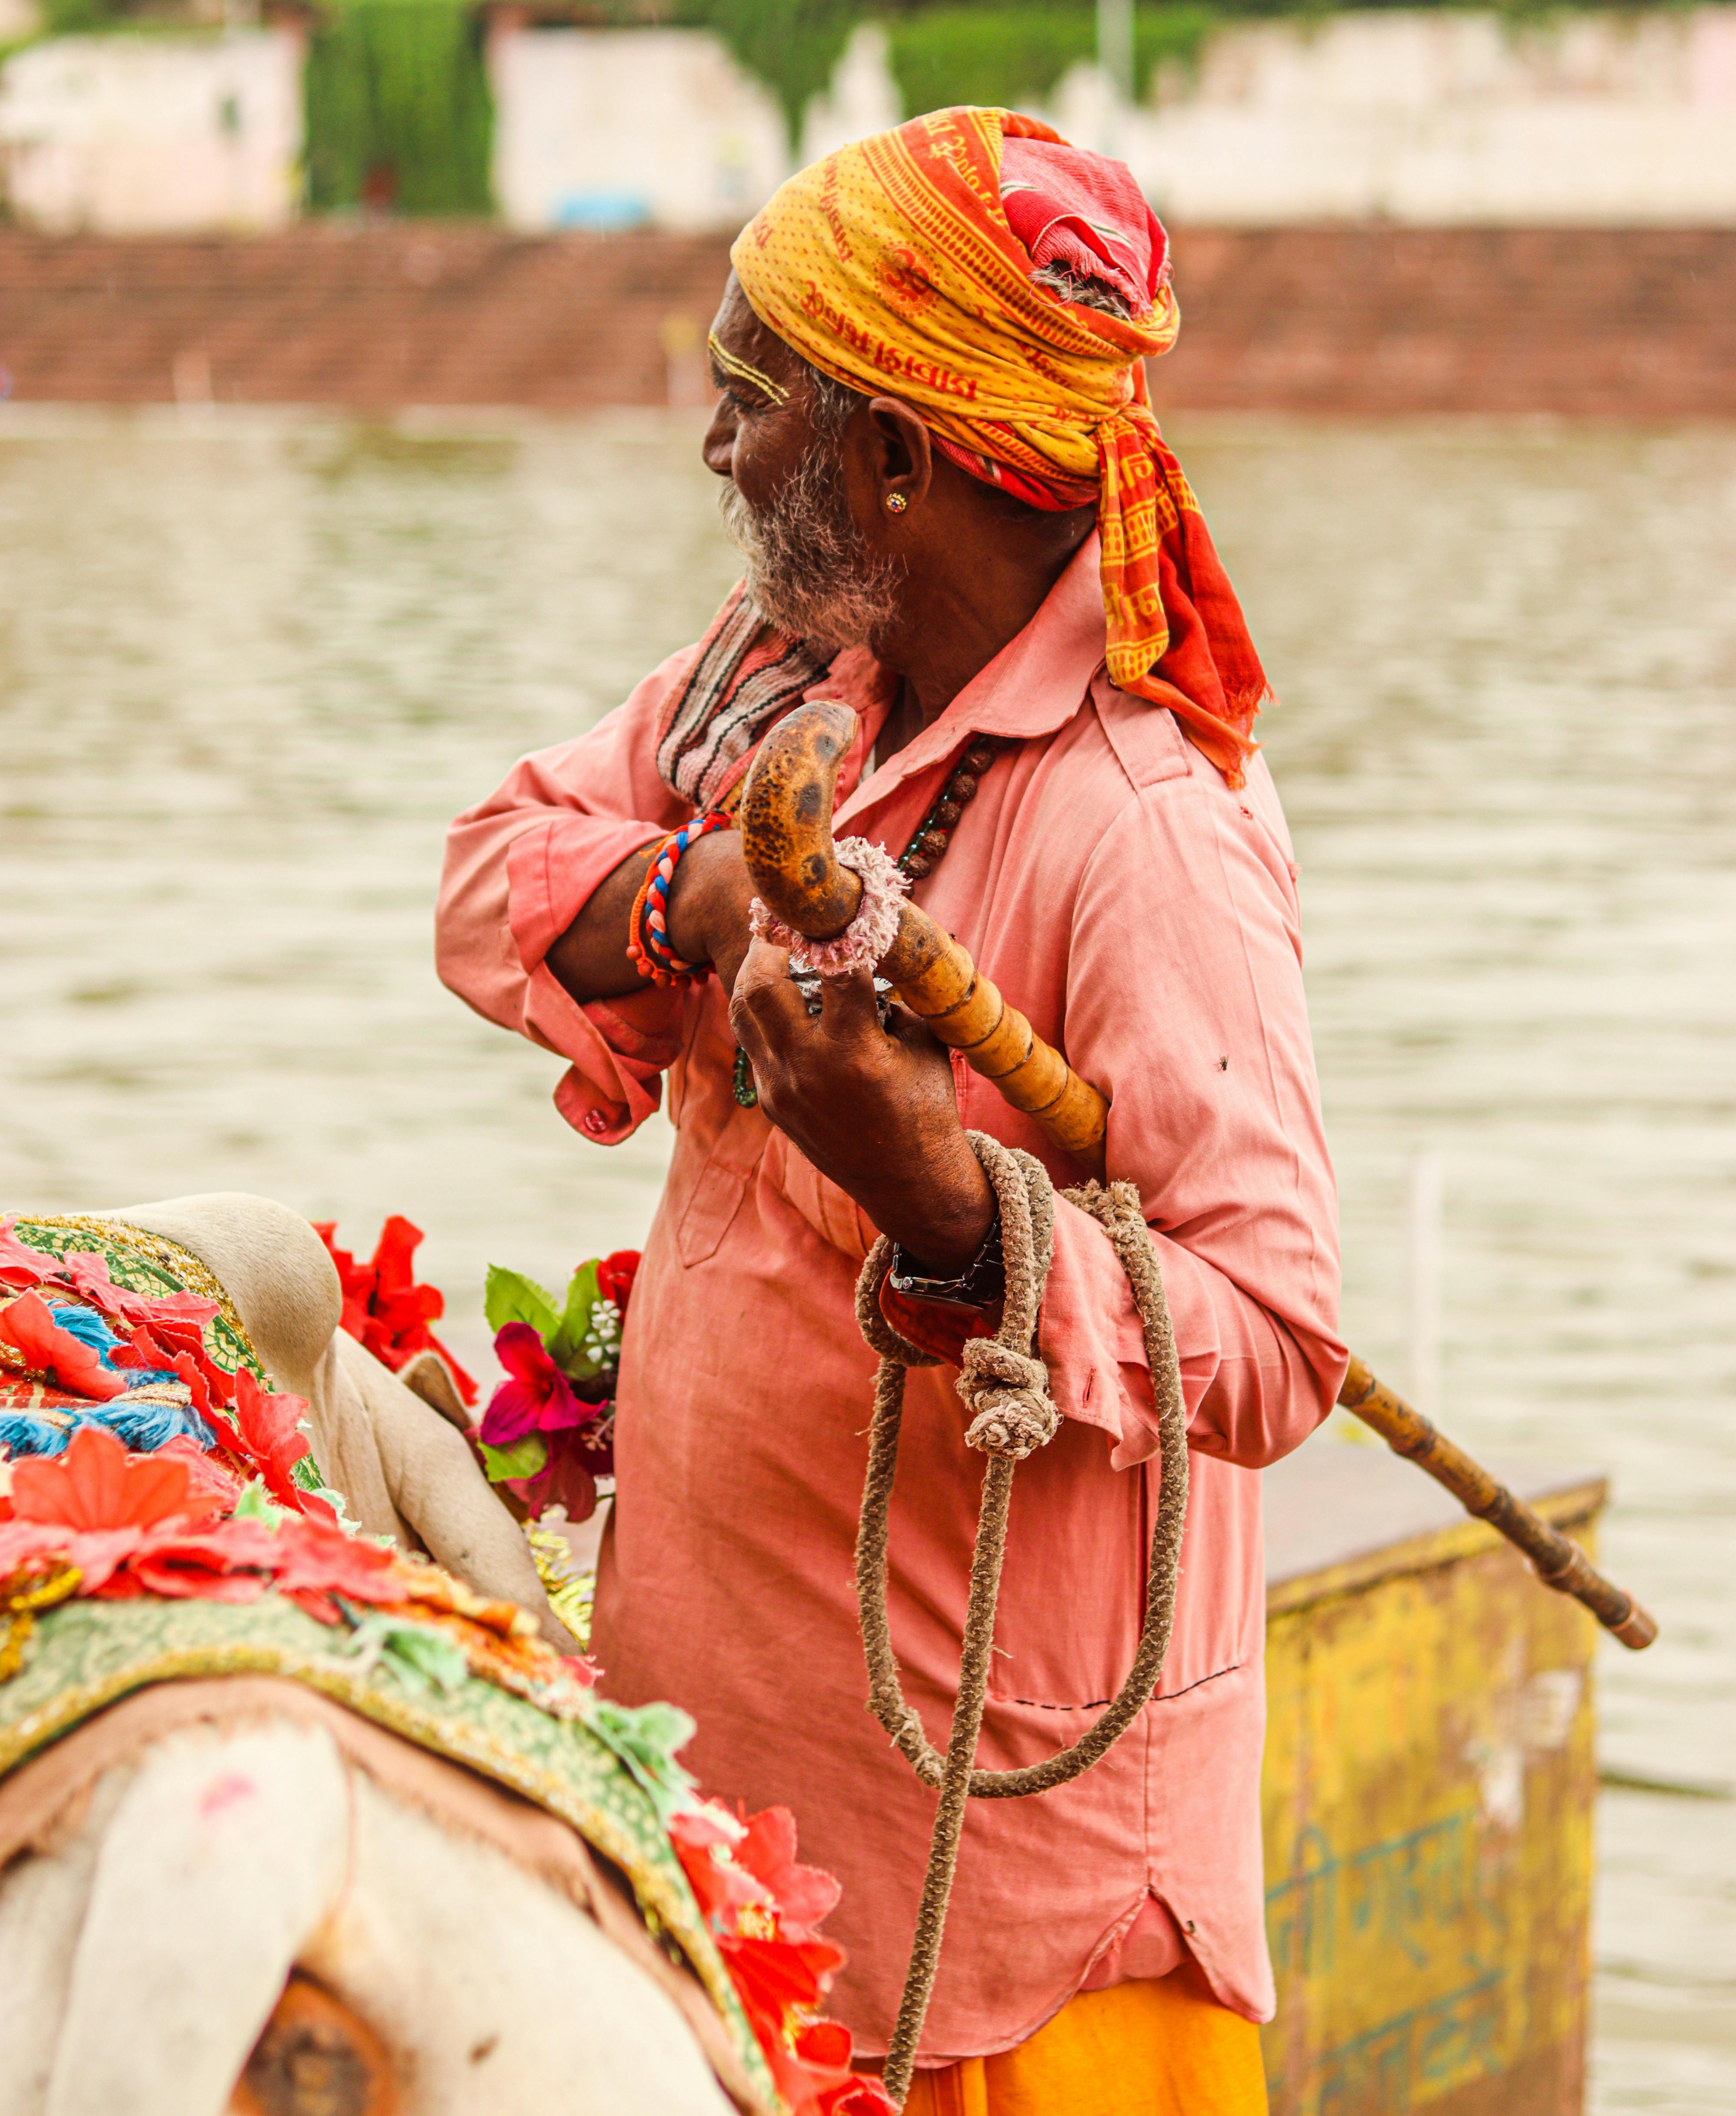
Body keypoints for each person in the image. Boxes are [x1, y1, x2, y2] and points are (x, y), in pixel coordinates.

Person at [436, 107, 1344, 2113]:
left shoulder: (1144, 826)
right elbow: (489, 862)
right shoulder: (766, 691)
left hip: (999, 1906)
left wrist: (941, 1203)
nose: (716, 451)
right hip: (723, 1822)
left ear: (899, 458)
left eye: (750, 397)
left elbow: (1277, 1346)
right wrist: (704, 892)